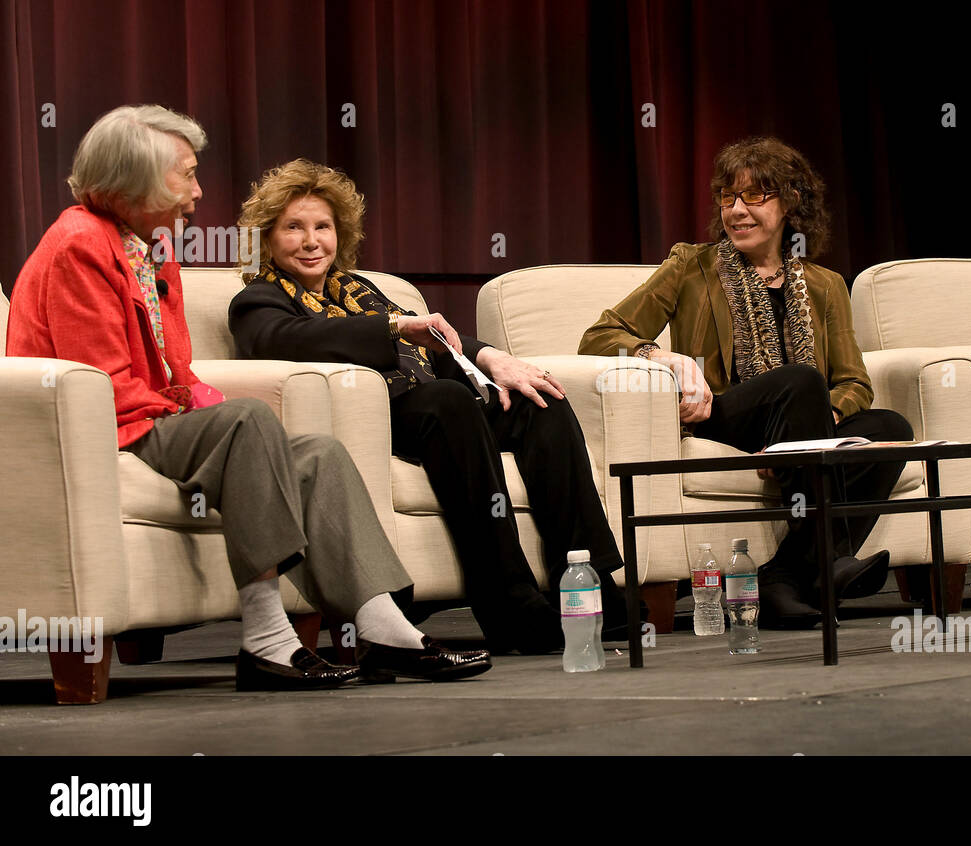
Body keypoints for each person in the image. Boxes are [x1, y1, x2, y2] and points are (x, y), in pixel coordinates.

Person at [6, 105, 491, 690]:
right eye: (185, 174)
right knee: (246, 421)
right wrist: (207, 413)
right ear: (135, 178)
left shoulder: (151, 250)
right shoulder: (78, 246)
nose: (198, 190)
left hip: (144, 416)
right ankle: (266, 640)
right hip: (102, 429)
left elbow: (176, 368)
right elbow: (107, 386)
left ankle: (383, 630)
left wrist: (201, 403)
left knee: (318, 455)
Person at [227, 159, 631, 653]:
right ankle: (511, 605)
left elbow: (436, 338)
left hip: (440, 411)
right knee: (446, 398)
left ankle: (592, 587)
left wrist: (490, 356)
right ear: (267, 238)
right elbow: (287, 339)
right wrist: (396, 328)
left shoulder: (359, 290)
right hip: (374, 419)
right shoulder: (258, 300)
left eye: (323, 227)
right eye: (293, 227)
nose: (312, 241)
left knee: (538, 398)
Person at [579, 136, 912, 627]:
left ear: (791, 201)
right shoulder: (692, 266)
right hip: (722, 415)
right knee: (798, 381)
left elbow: (853, 382)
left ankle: (784, 578)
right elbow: (601, 336)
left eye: (755, 196)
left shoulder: (824, 285)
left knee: (891, 427)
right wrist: (664, 358)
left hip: (800, 416)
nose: (737, 210)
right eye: (727, 197)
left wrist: (821, 423)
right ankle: (827, 562)